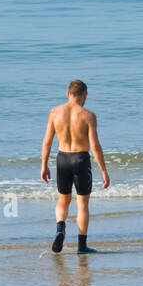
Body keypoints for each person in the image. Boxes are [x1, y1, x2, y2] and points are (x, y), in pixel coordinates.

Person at [40, 80, 109, 253]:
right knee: (82, 204)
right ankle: (82, 246)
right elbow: (95, 146)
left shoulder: (55, 112)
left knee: (63, 200)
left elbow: (47, 142)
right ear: (85, 95)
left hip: (62, 159)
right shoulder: (88, 116)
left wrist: (44, 165)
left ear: (68, 94)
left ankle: (60, 228)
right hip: (80, 159)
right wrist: (103, 170)